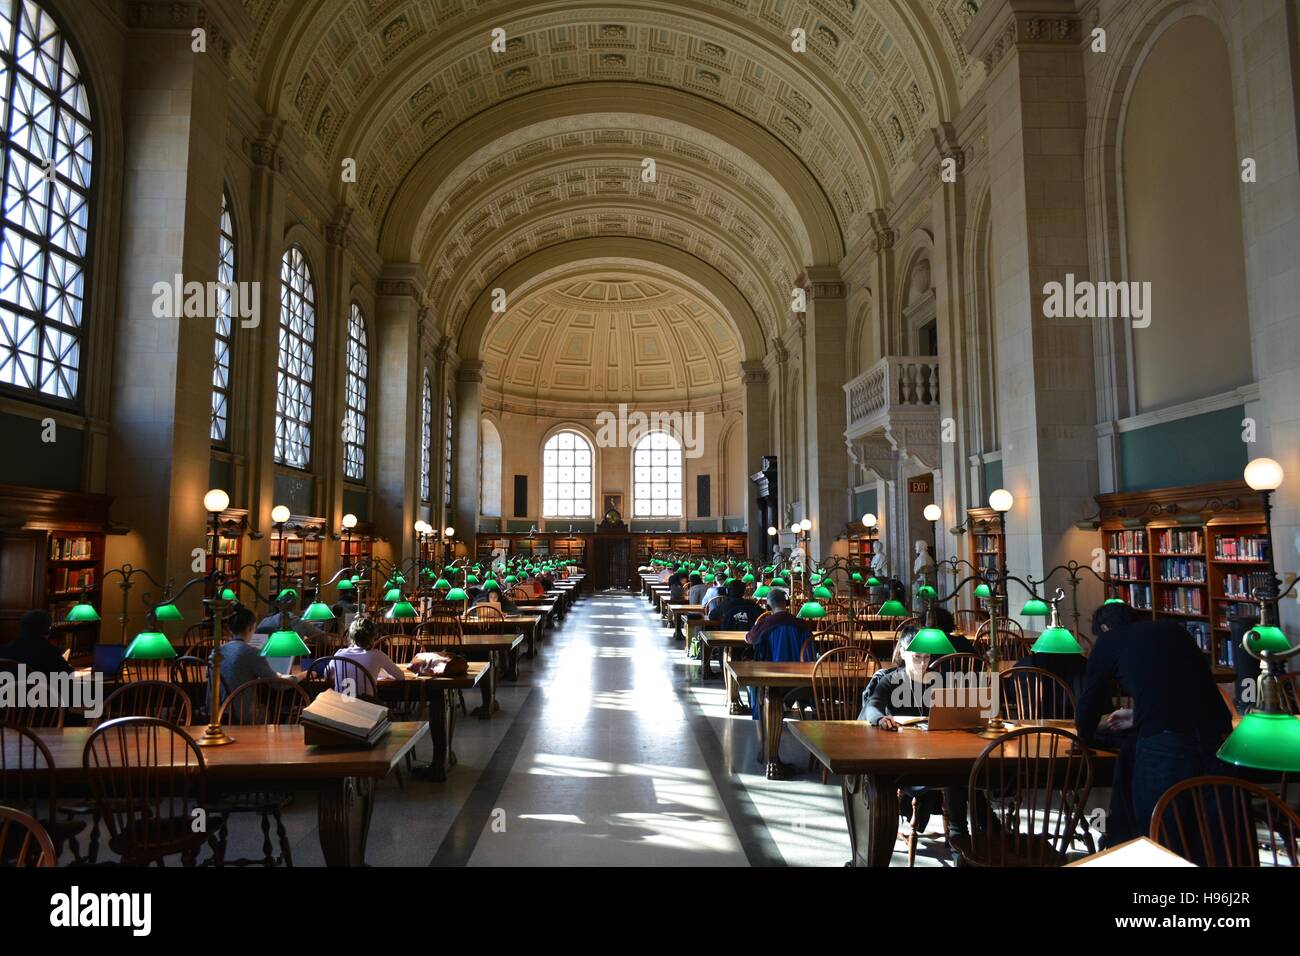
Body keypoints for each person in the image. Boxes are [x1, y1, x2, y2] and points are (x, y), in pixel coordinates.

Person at [1076, 601, 1234, 856]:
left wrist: (1082, 739)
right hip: (1217, 738)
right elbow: (1181, 685)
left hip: (1166, 744)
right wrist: (1138, 716)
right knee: (1210, 834)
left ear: (1104, 628)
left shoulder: (1109, 640)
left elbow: (1090, 700)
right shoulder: (1174, 630)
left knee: (1158, 832)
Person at [859, 627, 970, 852]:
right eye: (917, 657)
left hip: (934, 753)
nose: (922, 663)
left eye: (927, 657)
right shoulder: (890, 680)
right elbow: (872, 705)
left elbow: (955, 712)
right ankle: (967, 836)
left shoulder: (937, 681)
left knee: (965, 774)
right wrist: (880, 719)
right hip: (900, 759)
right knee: (958, 777)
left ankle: (962, 842)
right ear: (903, 653)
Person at [217, 604, 282, 717]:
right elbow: (278, 684)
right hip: (240, 716)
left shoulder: (218, 651)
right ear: (251, 627)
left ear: (229, 629)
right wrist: (302, 675)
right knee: (269, 711)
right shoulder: (250, 652)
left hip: (216, 713)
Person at [331, 615, 404, 694]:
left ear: (351, 636)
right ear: (373, 637)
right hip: (367, 704)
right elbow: (400, 676)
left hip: (340, 704)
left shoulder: (339, 654)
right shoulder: (378, 655)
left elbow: (326, 674)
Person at [258, 595, 325, 640]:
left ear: (278, 606)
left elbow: (255, 640)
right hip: (292, 659)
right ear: (294, 606)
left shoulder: (265, 621)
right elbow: (323, 638)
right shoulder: (301, 624)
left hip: (266, 658)